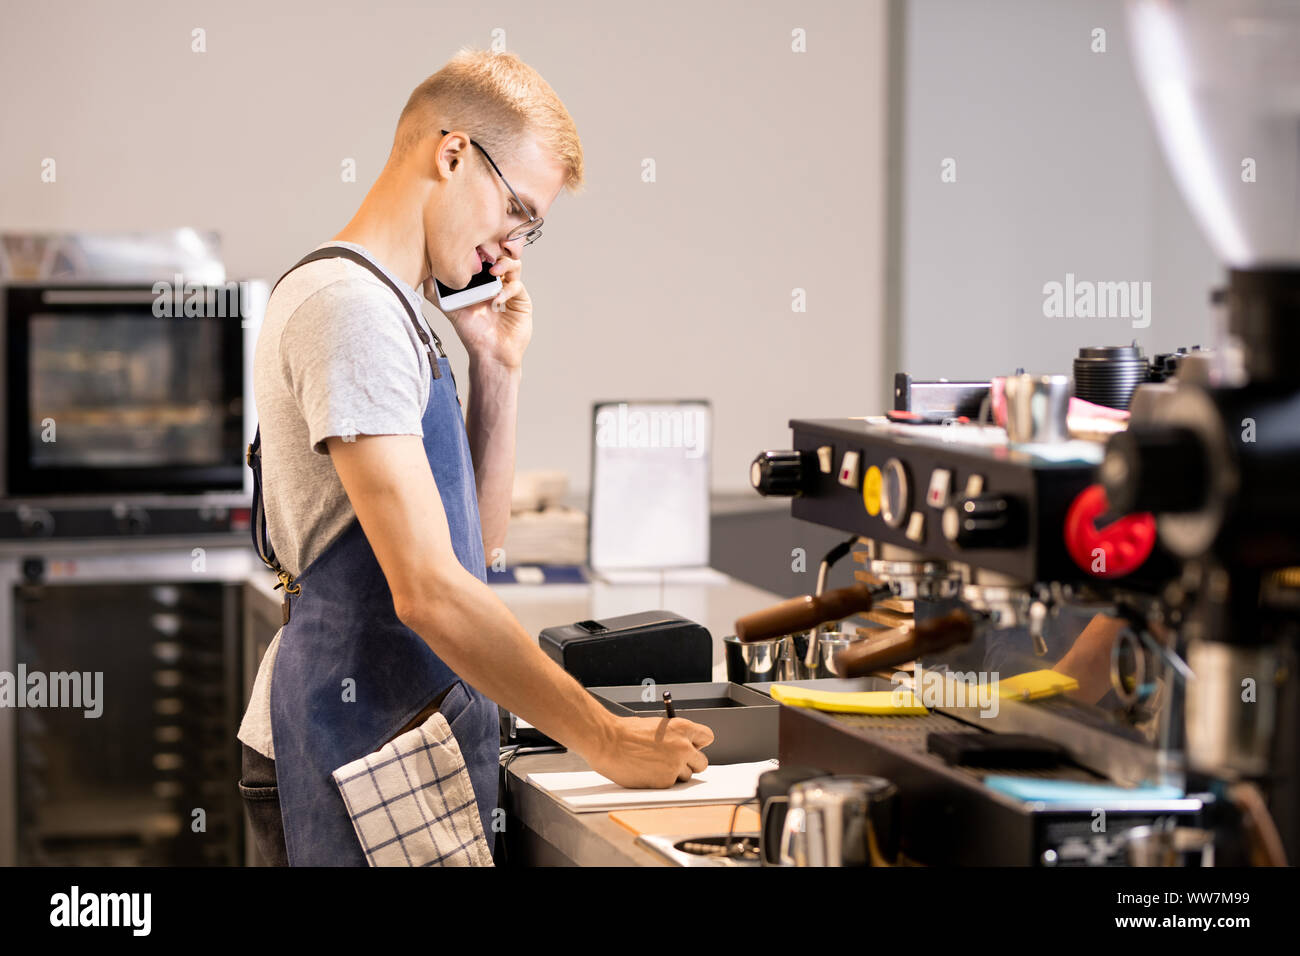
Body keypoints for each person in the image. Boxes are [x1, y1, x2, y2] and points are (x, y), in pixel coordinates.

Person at [236, 48, 713, 866]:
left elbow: (472, 556)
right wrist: (606, 739)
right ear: (453, 153)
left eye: (531, 231)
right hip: (358, 744)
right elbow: (427, 594)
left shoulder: (399, 311)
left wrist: (495, 365)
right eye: (516, 210)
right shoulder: (349, 311)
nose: (511, 247)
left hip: (398, 734)